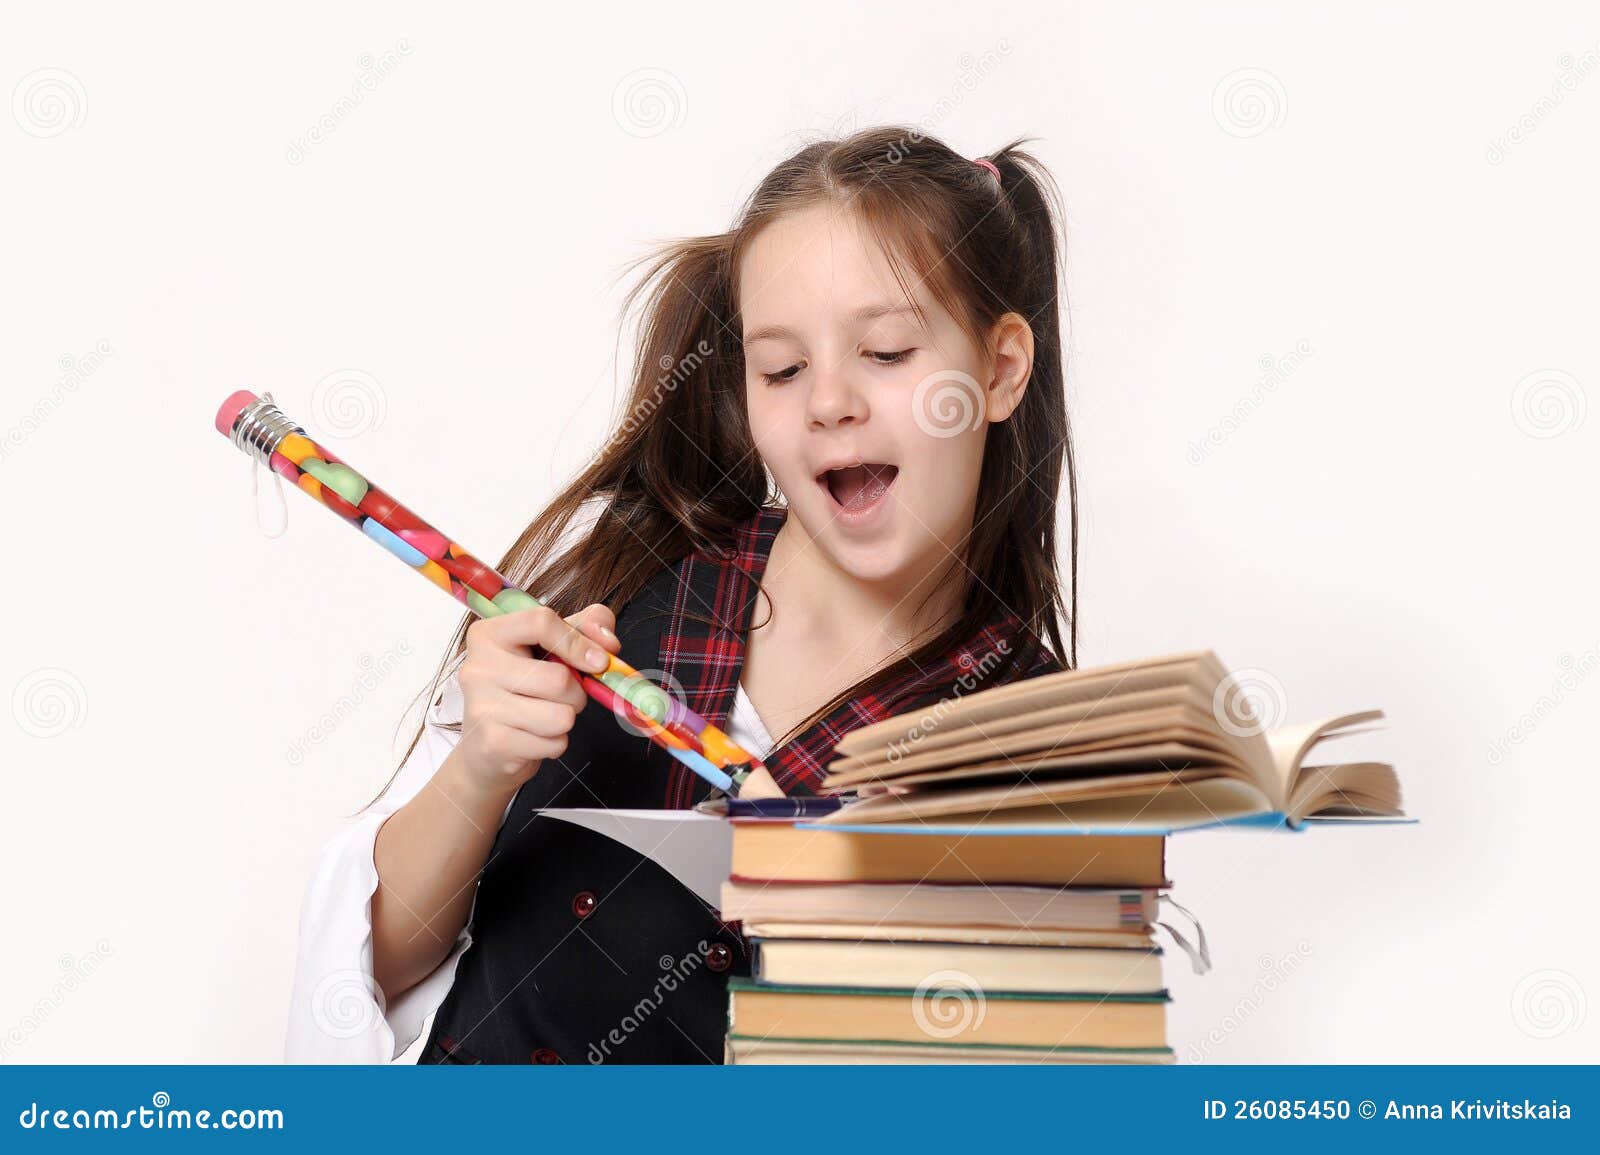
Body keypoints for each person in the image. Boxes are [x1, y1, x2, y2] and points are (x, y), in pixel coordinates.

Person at [286, 126, 1079, 1064]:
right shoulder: (629, 586)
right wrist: (481, 770)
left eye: (887, 351)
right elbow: (371, 973)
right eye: (782, 369)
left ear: (1000, 368)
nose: (829, 401)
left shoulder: (1044, 758)